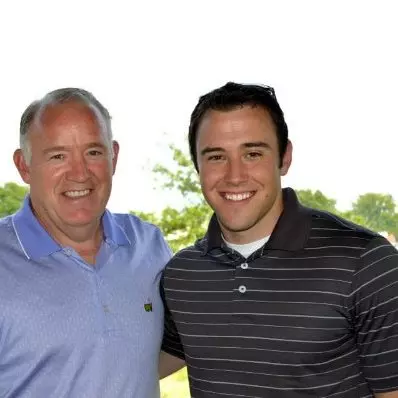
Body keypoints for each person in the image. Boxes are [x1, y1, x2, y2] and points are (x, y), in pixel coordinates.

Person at [161, 82, 398, 397]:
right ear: (198, 166)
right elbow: (137, 363)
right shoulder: (182, 275)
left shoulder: (366, 262)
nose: (234, 176)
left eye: (253, 153)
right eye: (217, 157)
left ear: (284, 158)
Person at [0, 88, 174, 397]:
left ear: (114, 156)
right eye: (58, 156)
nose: (79, 174)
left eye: (93, 152)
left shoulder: (150, 247)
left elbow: (151, 355)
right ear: (24, 165)